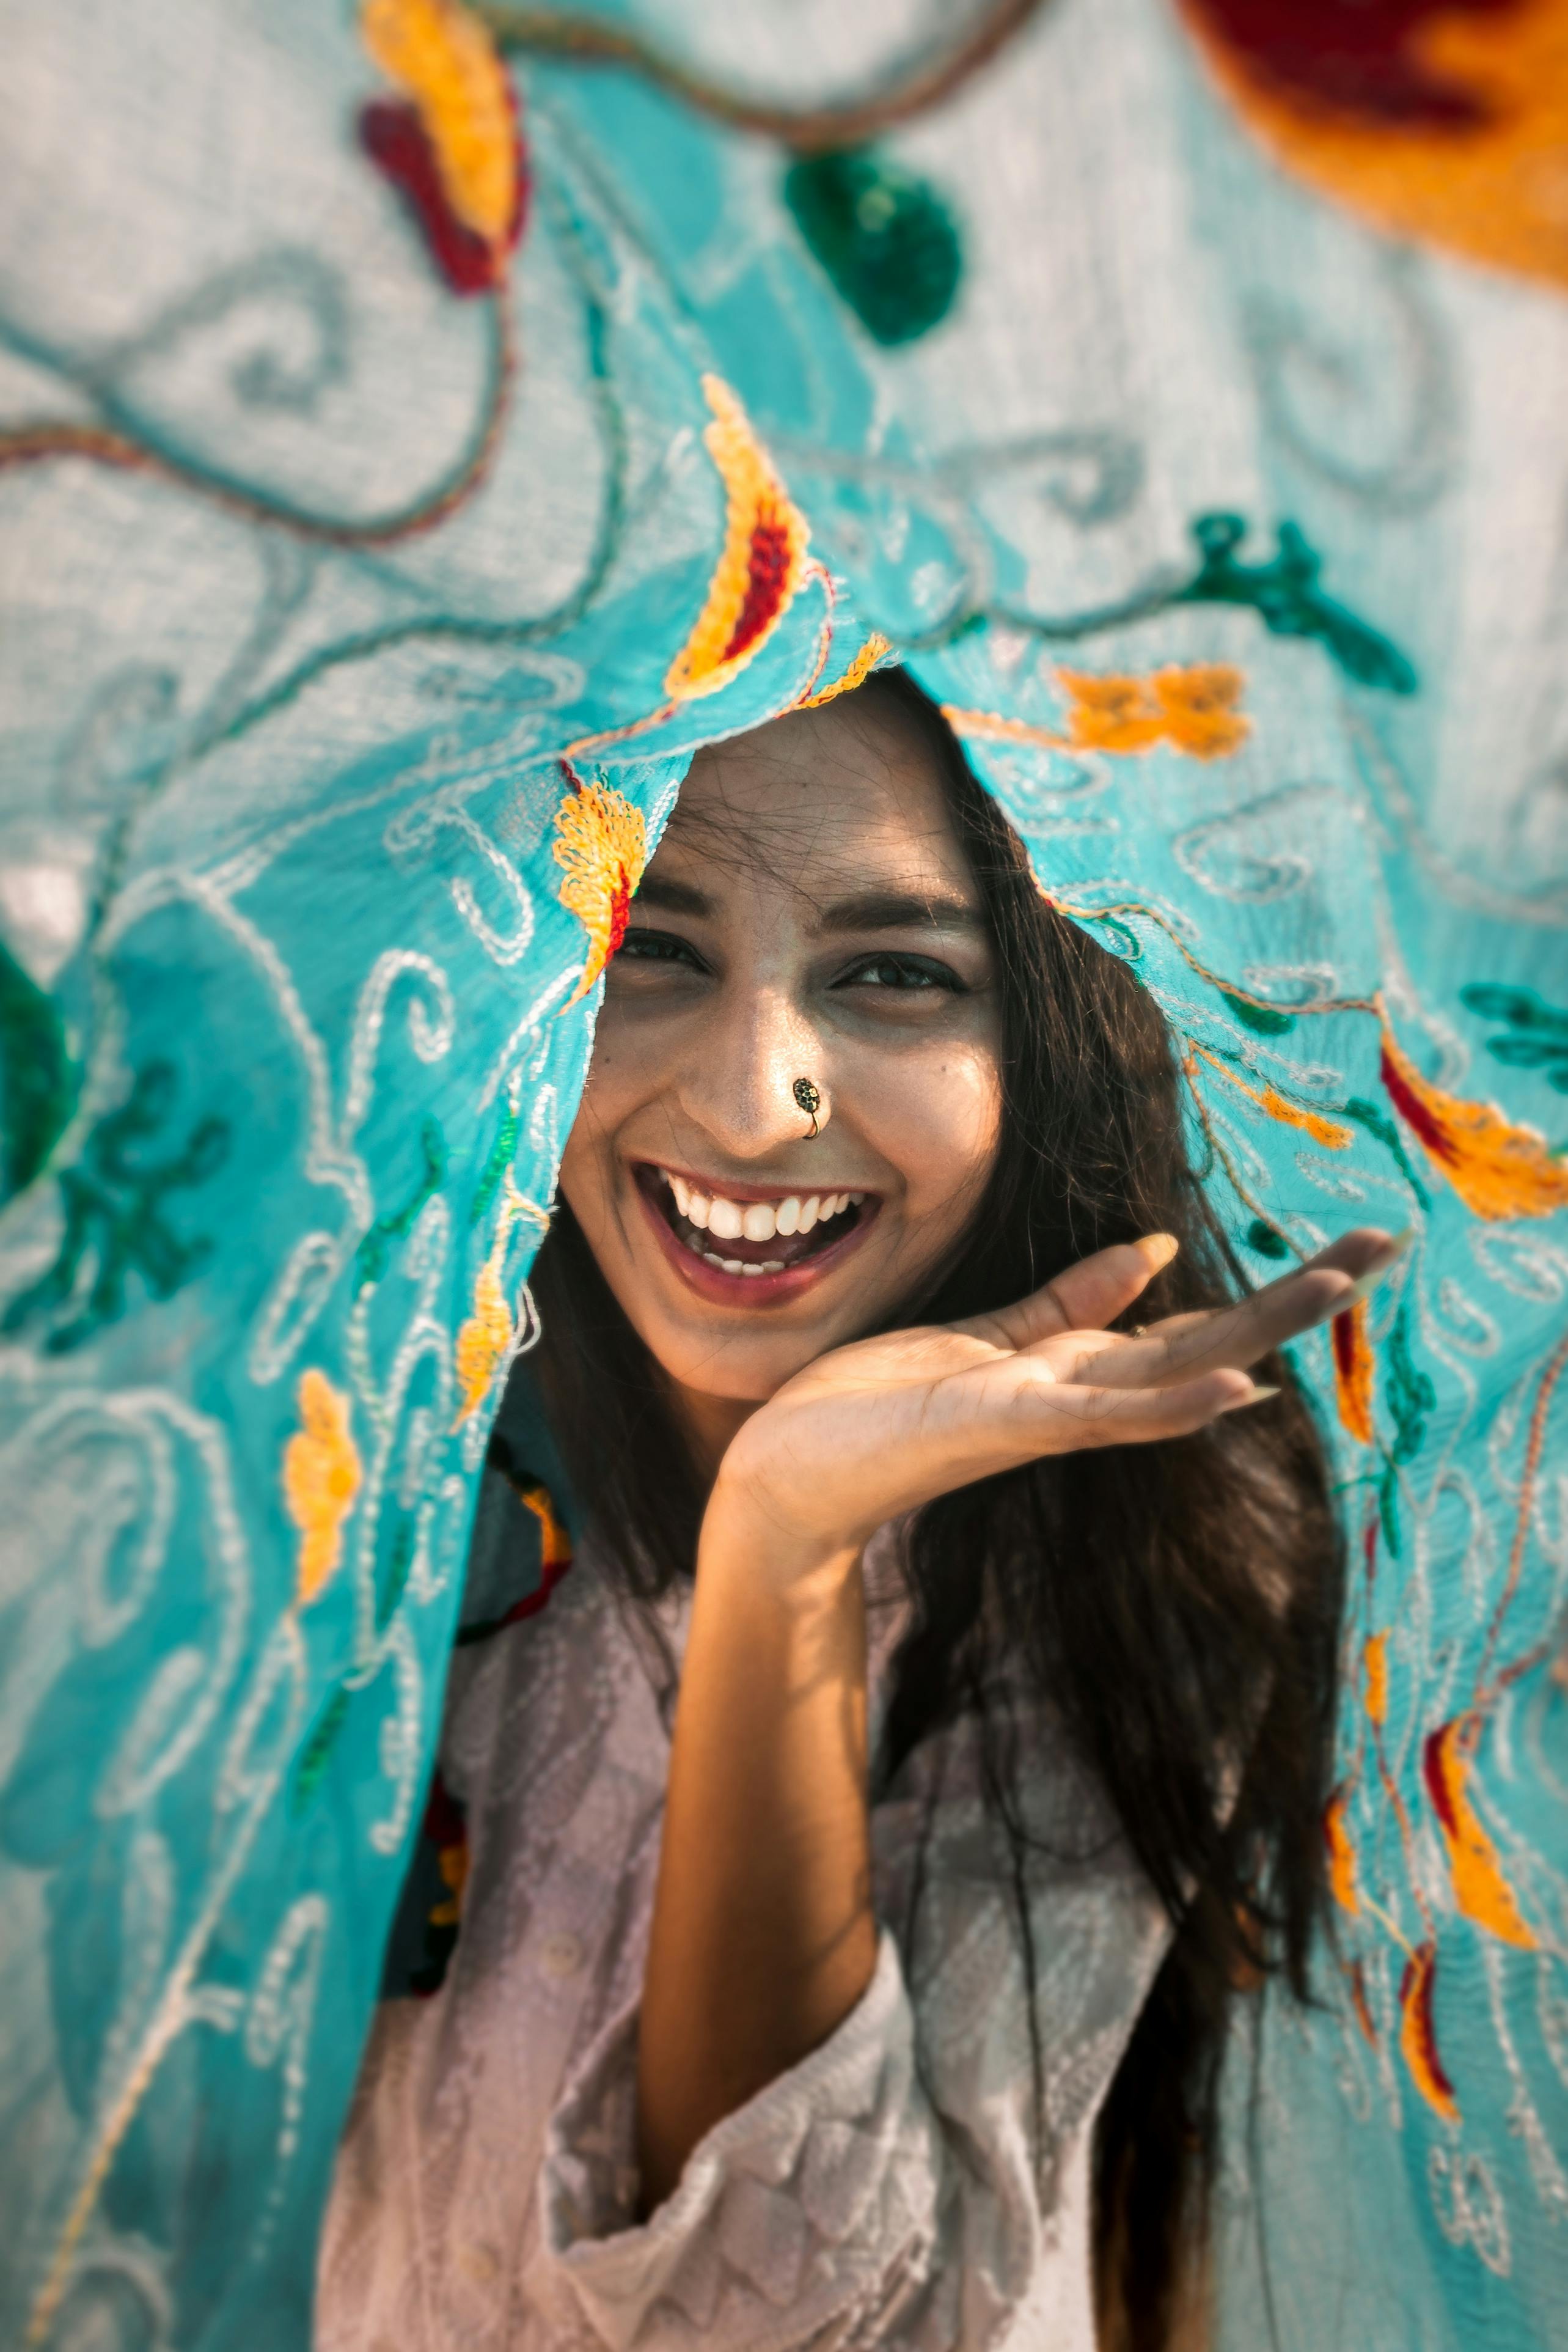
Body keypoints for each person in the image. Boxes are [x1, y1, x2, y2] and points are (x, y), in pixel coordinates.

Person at [317, 671, 1405, 2351]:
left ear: (1053, 1028)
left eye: (895, 975)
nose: (755, 1107)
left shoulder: (1157, 1532)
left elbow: (794, 2321)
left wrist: (788, 1550)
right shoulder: (364, 1421)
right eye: (653, 948)